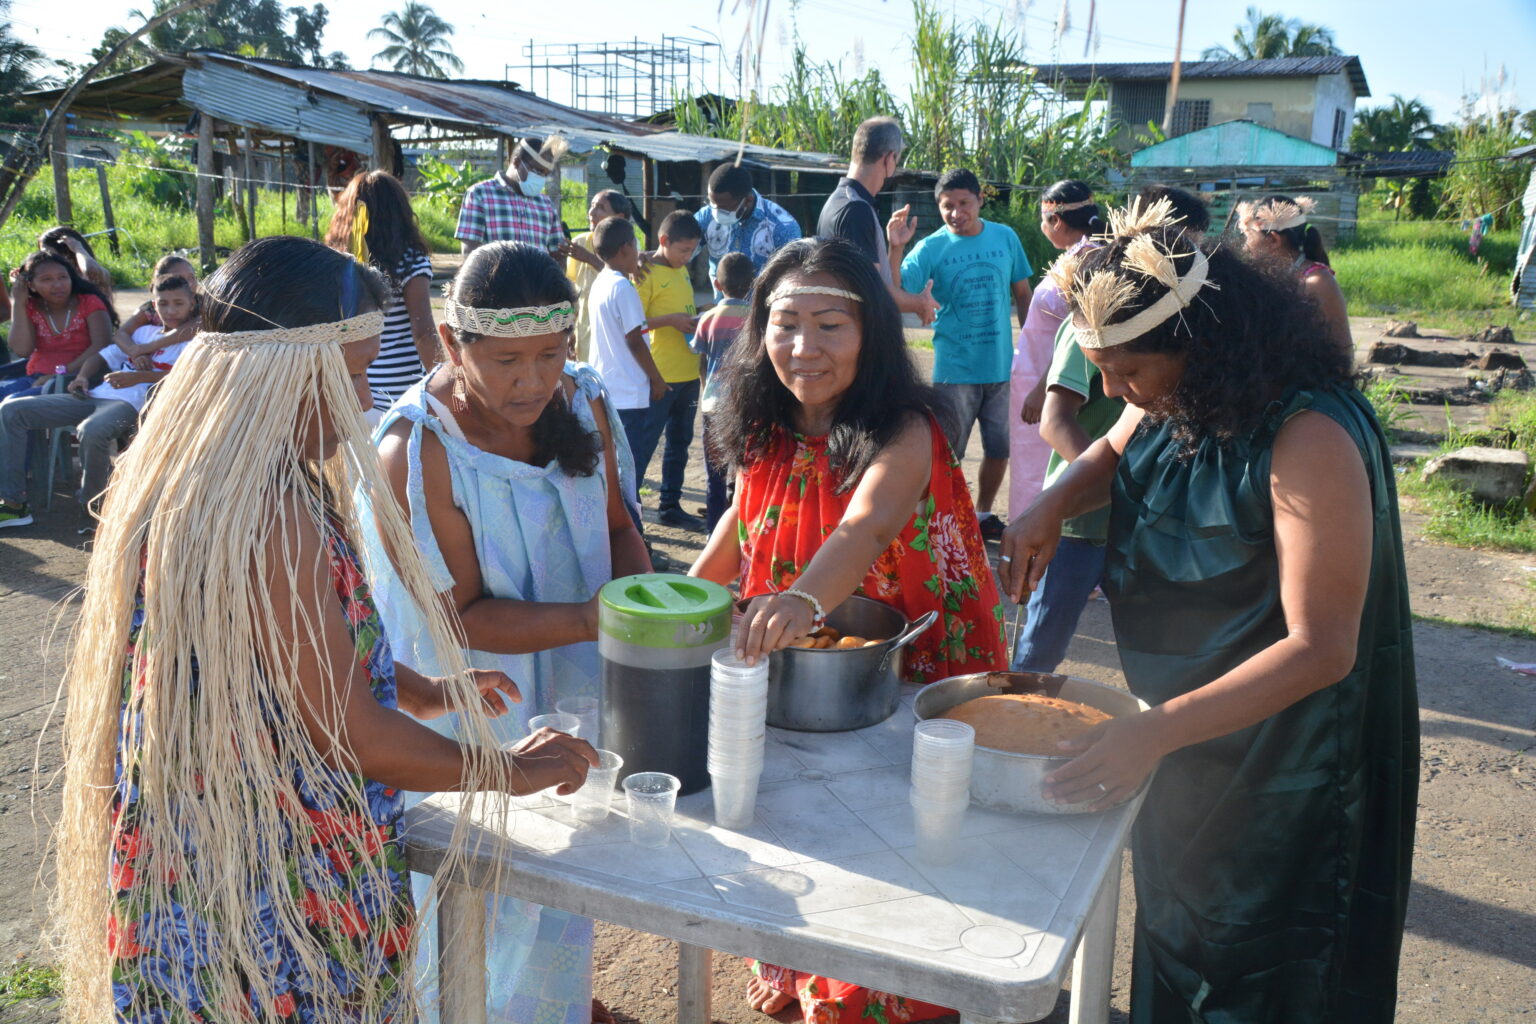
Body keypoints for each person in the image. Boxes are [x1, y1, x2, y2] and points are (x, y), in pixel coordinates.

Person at [56, 235, 597, 1024]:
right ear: (276, 371)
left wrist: (424, 689)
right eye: (346, 379)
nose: (360, 408)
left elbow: (289, 663)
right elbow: (352, 736)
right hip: (274, 887)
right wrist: (505, 769)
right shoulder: (268, 514)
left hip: (213, 861)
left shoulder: (205, 476)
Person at [998, 201, 1417, 1022]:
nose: (1115, 392)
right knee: (1181, 925)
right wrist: (1047, 507)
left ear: (1202, 345)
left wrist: (1153, 730)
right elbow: (1110, 447)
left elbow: (1322, 648)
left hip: (1290, 758)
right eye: (1102, 372)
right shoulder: (1166, 393)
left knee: (1265, 956)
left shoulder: (1309, 439)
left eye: (1129, 374)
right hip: (1190, 731)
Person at [690, 236, 1005, 1024]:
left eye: (831, 325)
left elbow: (863, 529)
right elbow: (744, 516)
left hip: (907, 658)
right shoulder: (762, 422)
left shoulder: (908, 426)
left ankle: (882, 985)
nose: (805, 348)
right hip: (794, 652)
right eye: (786, 323)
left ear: (872, 334)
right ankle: (799, 962)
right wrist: (685, 596)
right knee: (789, 802)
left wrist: (800, 600)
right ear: (758, 328)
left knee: (891, 823)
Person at [371, 241, 649, 1024]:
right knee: (481, 876)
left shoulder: (583, 398)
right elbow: (457, 617)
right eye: (506, 362)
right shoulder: (418, 449)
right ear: (454, 344)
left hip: (576, 671)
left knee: (565, 855)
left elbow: (620, 525)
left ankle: (553, 1004)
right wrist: (596, 618)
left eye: (549, 356)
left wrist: (641, 600)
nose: (532, 382)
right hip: (473, 695)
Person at [1012, 186, 1206, 672]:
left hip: (1138, 519)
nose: (1114, 391)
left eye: (1129, 374)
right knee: (1041, 645)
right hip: (1086, 522)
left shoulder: (1186, 335)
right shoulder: (1107, 324)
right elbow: (1079, 436)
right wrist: (1064, 499)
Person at [892, 168, 1033, 540]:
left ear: (980, 200)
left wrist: (1032, 349)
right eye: (947, 206)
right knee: (947, 452)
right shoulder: (931, 248)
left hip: (1001, 366)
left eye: (964, 203)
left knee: (999, 448)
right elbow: (896, 289)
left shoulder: (1005, 237)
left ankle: (983, 514)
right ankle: (945, 517)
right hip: (955, 369)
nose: (956, 213)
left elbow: (1023, 294)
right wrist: (895, 247)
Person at [0, 274, 195, 525]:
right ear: (153, 305)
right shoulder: (144, 332)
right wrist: (81, 377)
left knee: (91, 430)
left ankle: (92, 509)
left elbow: (189, 378)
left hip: (129, 405)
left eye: (178, 303)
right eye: (163, 303)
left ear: (192, 303)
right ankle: (14, 503)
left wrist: (139, 377)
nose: (170, 310)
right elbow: (103, 357)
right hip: (94, 395)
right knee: (11, 409)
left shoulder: (195, 341)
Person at [1008, 180, 1103, 521]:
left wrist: (1041, 388)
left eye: (1043, 220)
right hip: (1034, 382)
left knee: (1042, 475)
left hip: (1050, 389)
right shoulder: (1074, 256)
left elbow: (1080, 332)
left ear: (1057, 221)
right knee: (1029, 472)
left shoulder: (1088, 260)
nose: (1042, 227)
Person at [326, 170, 439, 408]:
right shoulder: (410, 261)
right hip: (400, 394)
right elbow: (423, 332)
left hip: (353, 390)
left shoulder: (338, 262)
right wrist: (447, 384)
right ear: (400, 213)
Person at [816, 115, 938, 324]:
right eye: (896, 161)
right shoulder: (855, 209)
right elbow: (872, 291)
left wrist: (895, 248)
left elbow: (880, 281)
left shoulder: (843, 202)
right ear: (889, 159)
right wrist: (919, 303)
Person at [633, 210, 704, 530]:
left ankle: (670, 505)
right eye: (683, 250)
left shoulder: (681, 270)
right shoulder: (645, 274)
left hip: (689, 374)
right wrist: (670, 321)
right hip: (659, 378)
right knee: (644, 446)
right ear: (663, 241)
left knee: (680, 443)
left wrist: (697, 316)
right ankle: (630, 510)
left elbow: (681, 309)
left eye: (692, 251)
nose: (687, 257)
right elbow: (634, 326)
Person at [586, 217, 668, 474]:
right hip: (629, 392)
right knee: (630, 469)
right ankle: (629, 514)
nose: (639, 252)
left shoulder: (601, 282)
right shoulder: (623, 288)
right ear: (625, 248)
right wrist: (656, 379)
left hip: (606, 389)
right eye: (636, 244)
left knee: (613, 465)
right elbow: (634, 340)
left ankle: (618, 513)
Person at [1238, 193, 1353, 358]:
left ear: (1273, 240)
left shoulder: (1317, 282)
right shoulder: (1261, 275)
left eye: (1249, 237)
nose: (1245, 247)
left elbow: (1343, 350)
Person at [1, 250, 113, 402]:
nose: (58, 285)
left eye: (63, 277)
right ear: (31, 286)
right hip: (37, 377)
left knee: (12, 403)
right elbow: (22, 350)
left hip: (80, 378)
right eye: (46, 280)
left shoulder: (89, 302)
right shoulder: (31, 307)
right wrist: (19, 303)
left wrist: (59, 375)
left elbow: (101, 345)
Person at [692, 250, 753, 532]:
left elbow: (702, 362)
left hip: (714, 404)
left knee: (714, 471)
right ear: (752, 284)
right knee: (744, 468)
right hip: (746, 403)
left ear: (717, 284)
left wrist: (706, 389)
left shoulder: (708, 319)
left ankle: (713, 531)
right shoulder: (756, 320)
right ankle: (740, 529)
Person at [456, 135, 570, 257]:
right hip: (496, 276)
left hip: (538, 276)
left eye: (545, 174)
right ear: (517, 162)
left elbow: (558, 255)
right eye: (538, 171)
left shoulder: (545, 204)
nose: (541, 178)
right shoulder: (480, 195)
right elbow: (470, 253)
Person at [694, 162, 801, 288]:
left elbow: (792, 280)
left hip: (764, 305)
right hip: (721, 305)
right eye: (712, 203)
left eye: (725, 208)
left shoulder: (782, 228)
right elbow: (678, 251)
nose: (716, 212)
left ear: (747, 200)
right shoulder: (706, 217)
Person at [565, 189, 640, 361]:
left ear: (619, 217)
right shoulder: (580, 243)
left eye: (600, 208)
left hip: (612, 342)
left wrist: (589, 258)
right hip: (584, 337)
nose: (591, 212)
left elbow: (624, 281)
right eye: (591, 206)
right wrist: (570, 330)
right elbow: (573, 293)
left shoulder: (627, 247)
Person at [110, 255, 201, 364]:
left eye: (191, 277)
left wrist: (150, 347)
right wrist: (136, 353)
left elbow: (199, 325)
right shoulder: (151, 308)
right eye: (180, 278)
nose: (189, 284)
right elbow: (121, 334)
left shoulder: (204, 304)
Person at [39, 225, 114, 304]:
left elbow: (91, 269)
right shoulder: (51, 281)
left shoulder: (94, 274)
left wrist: (78, 248)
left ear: (68, 254)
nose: (45, 260)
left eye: (49, 255)